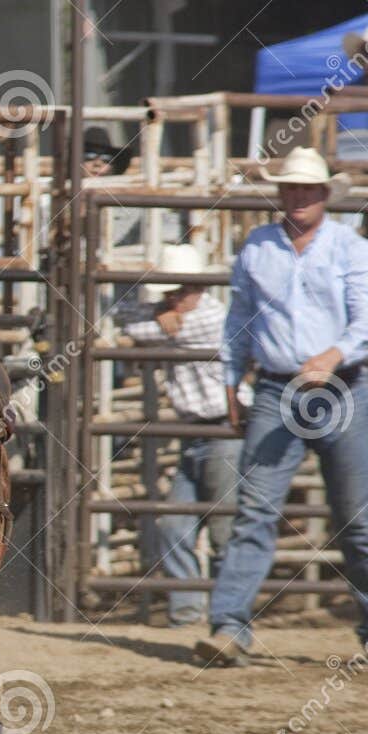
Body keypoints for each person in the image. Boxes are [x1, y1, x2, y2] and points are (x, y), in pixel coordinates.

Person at [196, 148, 368, 664]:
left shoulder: (351, 248)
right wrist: (231, 380)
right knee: (255, 509)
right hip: (276, 388)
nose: (297, 195)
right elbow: (239, 319)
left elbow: (365, 320)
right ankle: (228, 625)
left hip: (344, 385)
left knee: (356, 519)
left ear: (323, 195)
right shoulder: (257, 246)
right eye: (289, 187)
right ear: (281, 193)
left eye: (306, 188)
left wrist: (332, 354)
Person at [115, 244, 235, 627]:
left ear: (198, 288)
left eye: (181, 289)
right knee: (174, 523)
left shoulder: (211, 318)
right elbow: (127, 319)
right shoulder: (186, 313)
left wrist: (158, 313)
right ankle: (188, 615)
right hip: (196, 430)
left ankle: (227, 616)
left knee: (223, 529)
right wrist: (161, 310)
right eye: (170, 291)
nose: (176, 297)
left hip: (223, 428)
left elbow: (137, 327)